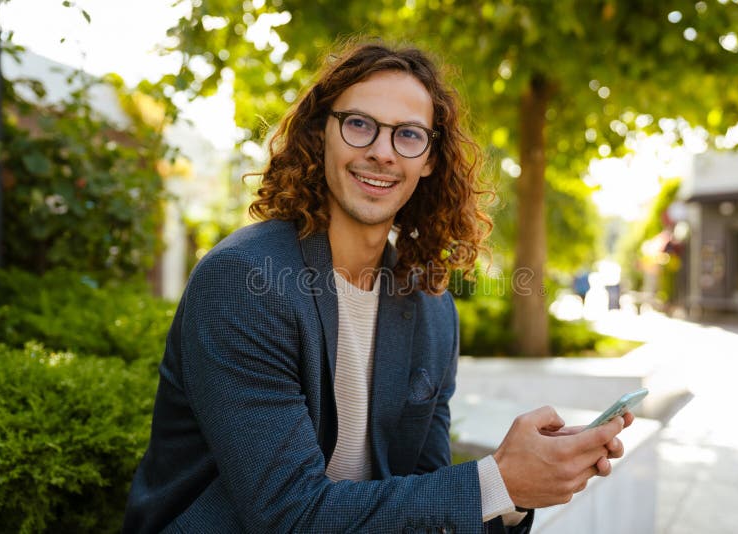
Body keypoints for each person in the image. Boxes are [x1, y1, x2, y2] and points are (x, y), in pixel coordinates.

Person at [123, 41, 632, 533]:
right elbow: (285, 514)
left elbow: (424, 490)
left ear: (430, 159)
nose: (382, 153)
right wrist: (494, 480)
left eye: (408, 135)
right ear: (322, 132)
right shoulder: (245, 281)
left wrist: (519, 489)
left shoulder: (432, 310)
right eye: (360, 125)